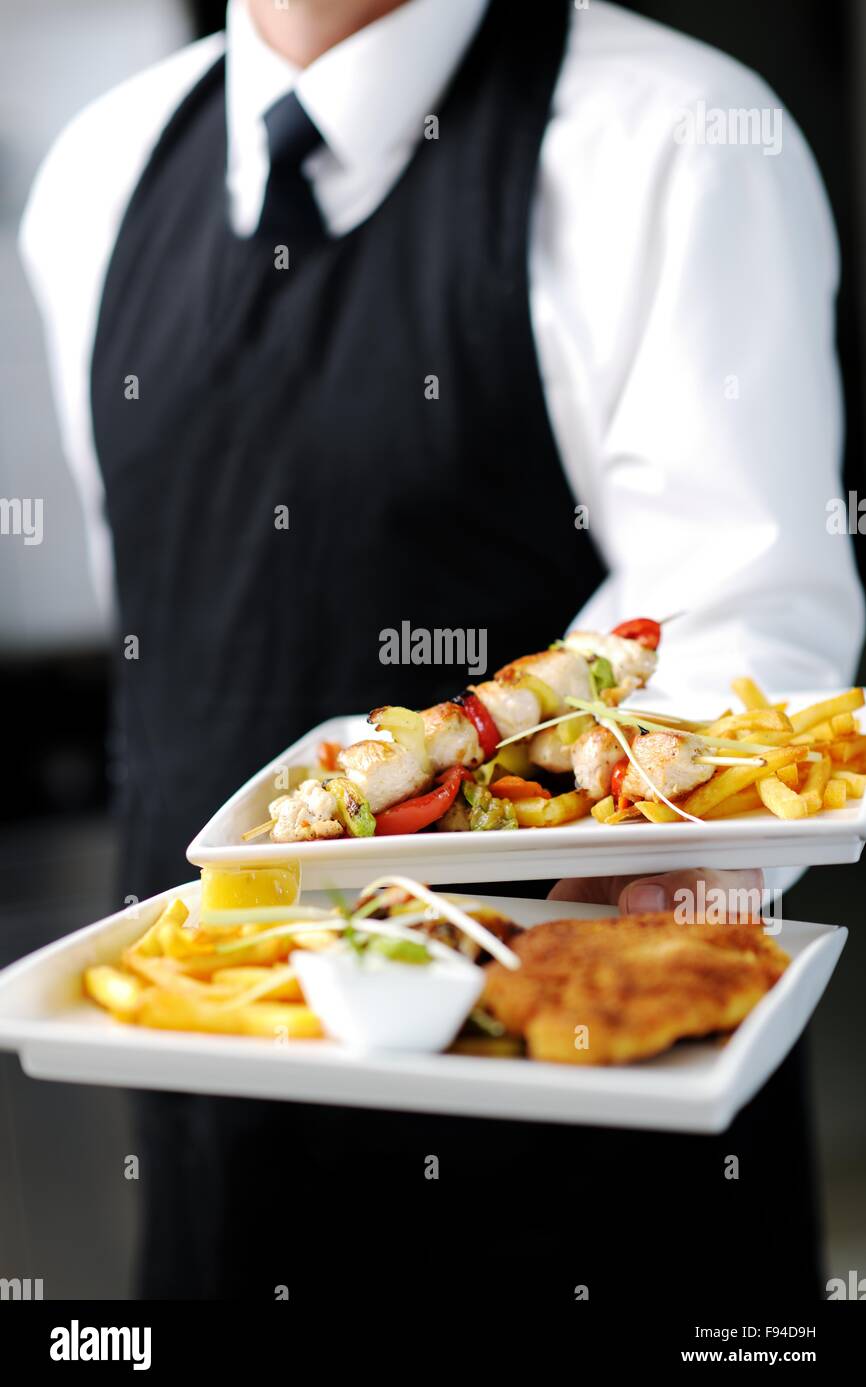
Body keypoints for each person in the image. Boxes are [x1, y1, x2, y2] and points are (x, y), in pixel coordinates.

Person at [20, 0, 862, 1299]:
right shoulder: (96, 167)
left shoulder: (675, 136)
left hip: (578, 1131)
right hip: (208, 1113)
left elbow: (747, 621)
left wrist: (643, 866)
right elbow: (166, 611)